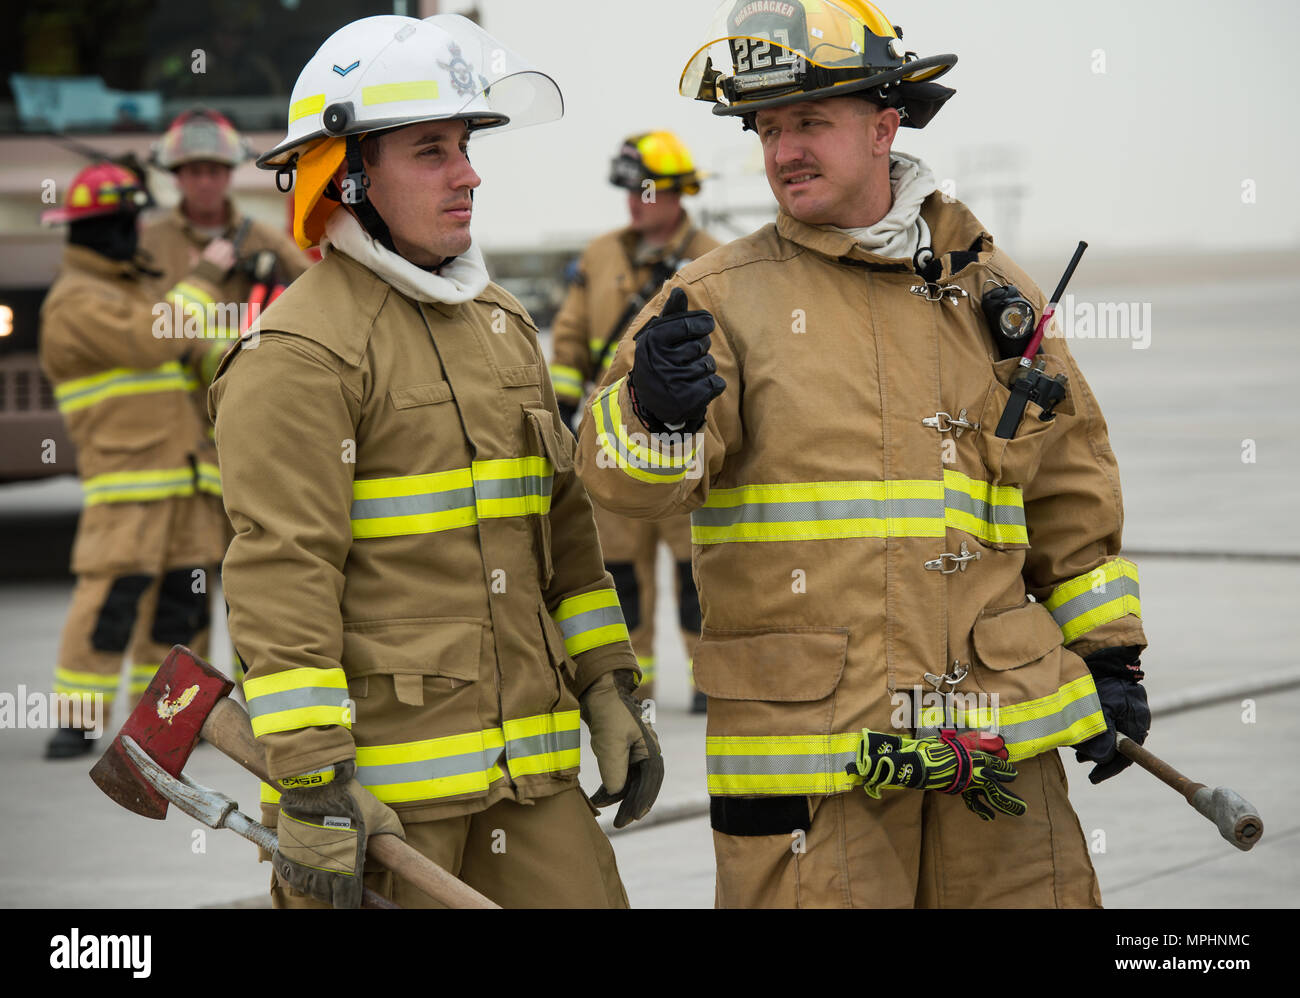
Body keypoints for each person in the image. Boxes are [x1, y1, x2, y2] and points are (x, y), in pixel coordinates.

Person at [574, 0, 1150, 908]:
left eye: (809, 121)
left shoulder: (995, 291)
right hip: (818, 764)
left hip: (995, 745)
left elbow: (1070, 489)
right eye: (767, 127)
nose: (782, 150)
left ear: (885, 124)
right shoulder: (714, 299)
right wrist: (651, 409)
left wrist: (1111, 658)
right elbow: (616, 482)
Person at [209, 14, 661, 909]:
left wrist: (609, 686)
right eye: (430, 151)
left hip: (532, 784)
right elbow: (282, 573)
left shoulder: (500, 325)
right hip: (384, 810)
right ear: (348, 176)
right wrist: (310, 783)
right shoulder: (298, 353)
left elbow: (564, 537)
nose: (469, 172)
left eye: (463, 144)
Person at [39, 161, 232, 758]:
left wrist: (241, 358)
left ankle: (170, 723)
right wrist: (205, 274)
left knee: (183, 602)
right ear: (88, 231)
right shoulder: (74, 301)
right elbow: (154, 341)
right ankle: (77, 721)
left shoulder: (139, 288)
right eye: (118, 222)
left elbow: (192, 350)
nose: (129, 232)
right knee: (113, 601)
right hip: (126, 482)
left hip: (185, 477)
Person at [550, 132, 720, 710]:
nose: (635, 199)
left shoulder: (715, 260)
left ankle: (707, 679)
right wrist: (561, 419)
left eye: (647, 189)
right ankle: (631, 682)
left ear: (678, 194)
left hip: (683, 445)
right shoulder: (598, 258)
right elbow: (571, 342)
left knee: (695, 568)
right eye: (628, 188)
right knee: (618, 572)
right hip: (610, 446)